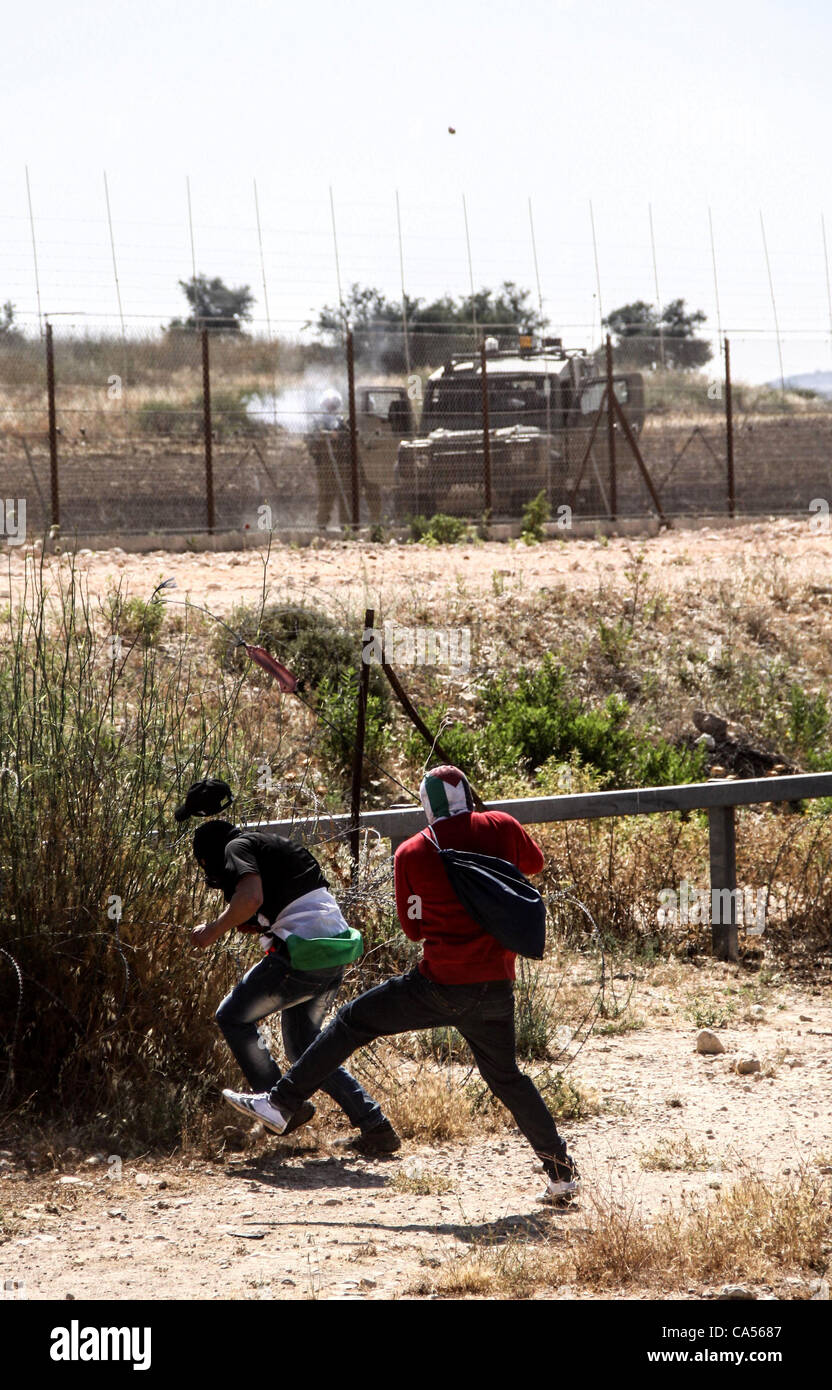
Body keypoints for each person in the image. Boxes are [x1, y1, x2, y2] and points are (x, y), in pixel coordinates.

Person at [223, 767, 580, 1204]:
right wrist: (485, 824)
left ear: (426, 805)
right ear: (470, 794)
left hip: (439, 984)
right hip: (495, 987)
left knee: (352, 1021)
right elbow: (533, 865)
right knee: (507, 1077)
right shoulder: (503, 826)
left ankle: (280, 1104)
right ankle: (561, 1173)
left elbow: (412, 928)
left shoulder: (413, 851)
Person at [191, 817, 400, 1154]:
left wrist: (213, 930)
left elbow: (250, 898)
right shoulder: (275, 844)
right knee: (308, 1051)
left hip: (301, 956)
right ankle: (376, 1128)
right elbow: (289, 901)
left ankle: (282, 1108)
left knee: (232, 1016)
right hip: (334, 951)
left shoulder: (235, 847)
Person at [308, 388, 381, 529]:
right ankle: (321, 526)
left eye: (334, 406)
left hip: (343, 465)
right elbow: (312, 439)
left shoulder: (343, 422)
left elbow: (349, 436)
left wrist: (342, 435)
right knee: (326, 497)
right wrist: (327, 435)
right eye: (329, 406)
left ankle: (347, 527)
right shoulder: (318, 423)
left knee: (347, 496)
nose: (331, 409)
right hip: (325, 466)